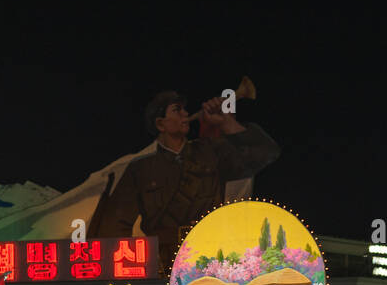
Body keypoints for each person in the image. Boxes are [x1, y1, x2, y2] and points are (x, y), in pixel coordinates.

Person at [92, 89, 281, 259]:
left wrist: (227, 122)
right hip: (164, 261)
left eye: (184, 109)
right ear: (160, 124)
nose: (185, 114)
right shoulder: (141, 168)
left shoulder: (211, 152)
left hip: (211, 253)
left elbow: (265, 153)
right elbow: (115, 225)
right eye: (177, 110)